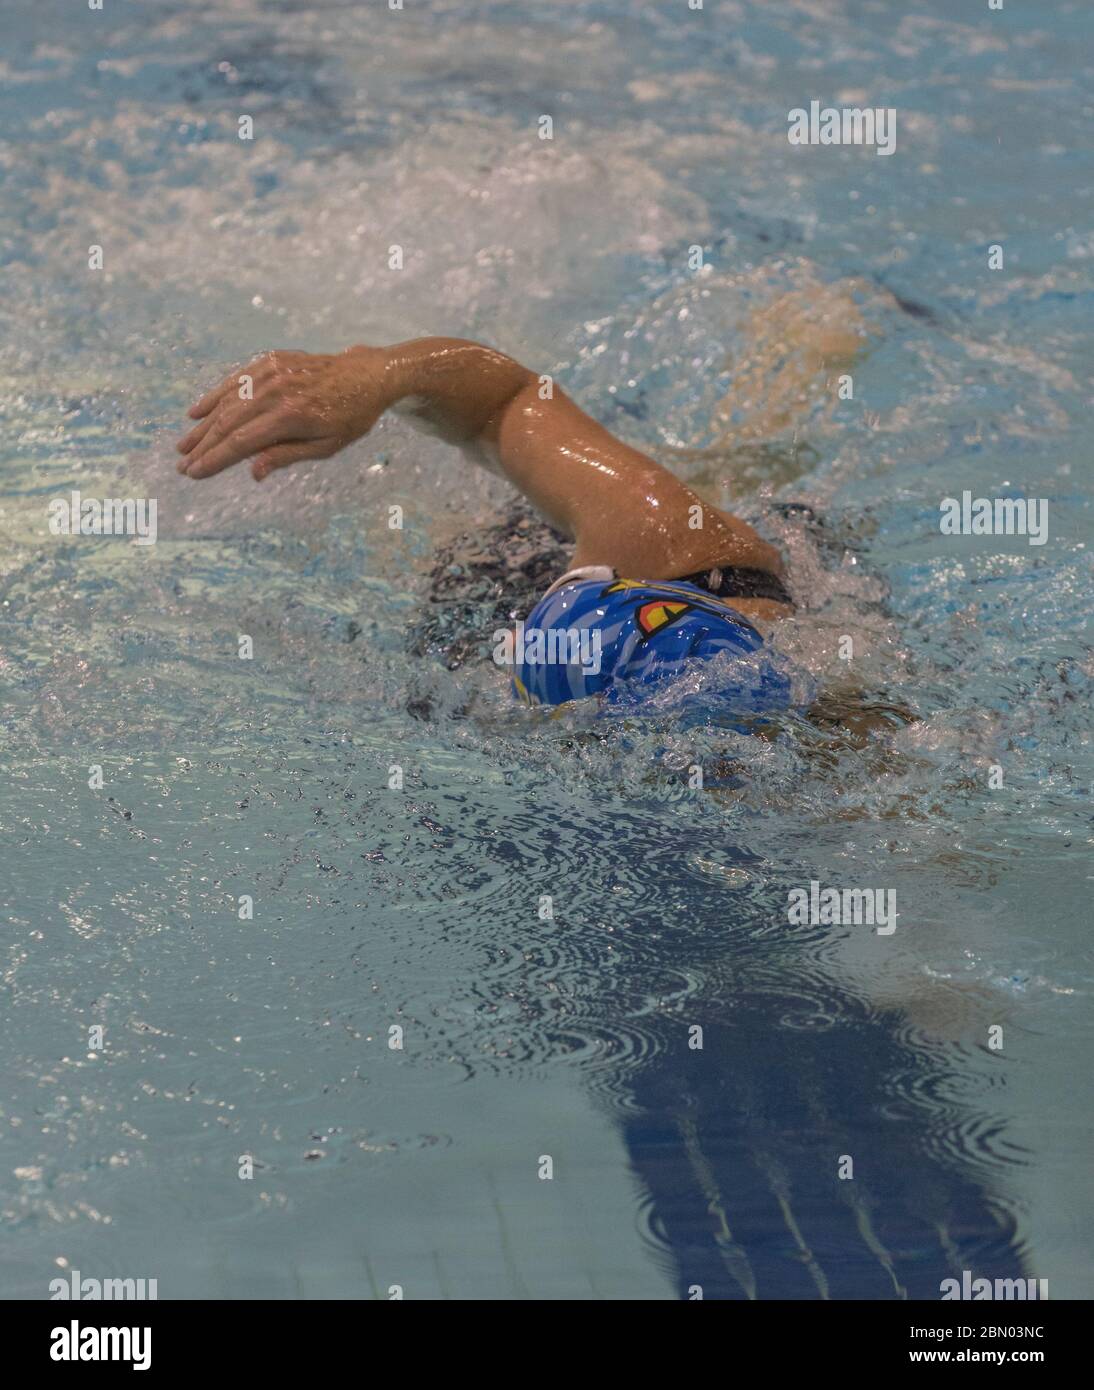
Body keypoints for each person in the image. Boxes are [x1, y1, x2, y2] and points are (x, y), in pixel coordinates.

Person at [177, 338, 799, 716]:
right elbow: (502, 401)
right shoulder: (660, 530)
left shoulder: (830, 733)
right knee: (745, 463)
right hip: (542, 547)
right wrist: (376, 375)